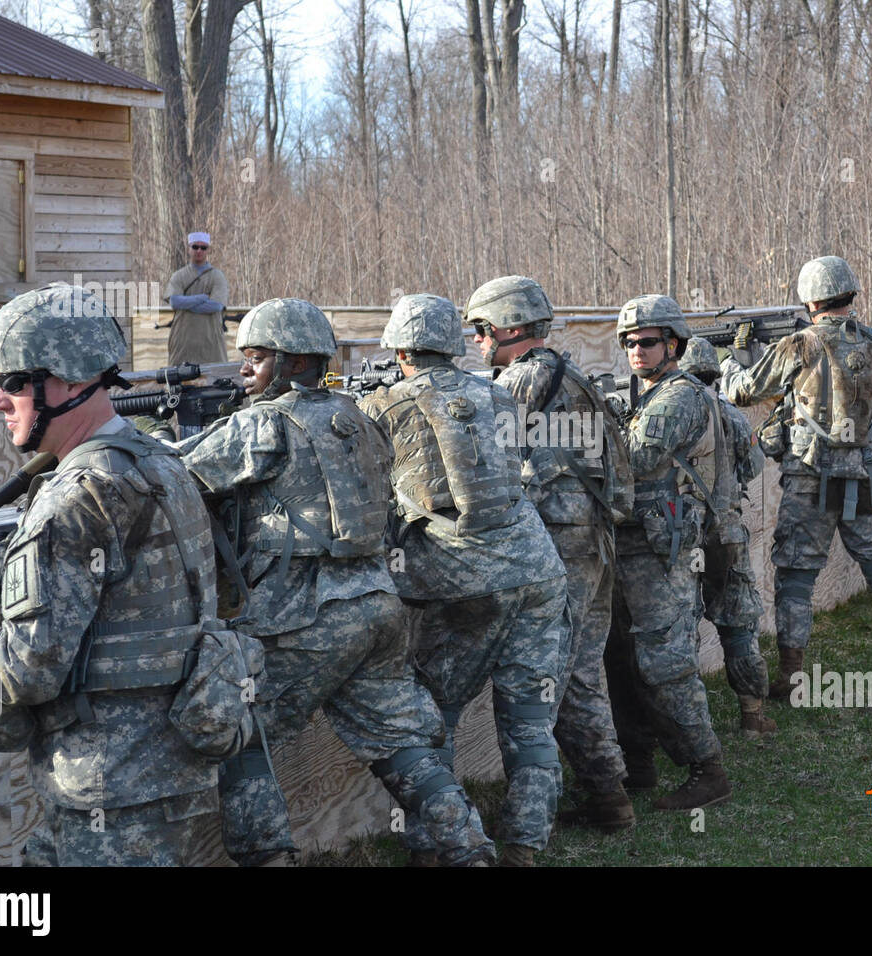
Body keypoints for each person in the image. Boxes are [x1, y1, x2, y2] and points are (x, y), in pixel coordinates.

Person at [0, 284, 224, 865]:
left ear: (73, 382)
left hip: (112, 783)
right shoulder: (156, 461)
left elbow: (26, 673)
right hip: (158, 764)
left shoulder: (73, 499)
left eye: (15, 383)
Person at [174, 298, 494, 867]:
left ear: (296, 363)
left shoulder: (263, 424)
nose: (244, 369)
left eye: (256, 357)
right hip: (375, 605)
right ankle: (469, 849)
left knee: (239, 731)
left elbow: (174, 478)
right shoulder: (355, 415)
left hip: (303, 613)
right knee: (401, 745)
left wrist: (148, 433)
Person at [360, 293, 570, 867]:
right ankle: (523, 846)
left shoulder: (385, 407)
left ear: (401, 349)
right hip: (536, 569)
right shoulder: (498, 392)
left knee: (433, 718)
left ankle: (437, 846)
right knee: (529, 716)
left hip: (462, 582)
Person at [720, 256, 872, 703]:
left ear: (810, 298)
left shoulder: (798, 344)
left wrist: (729, 358)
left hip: (808, 478)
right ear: (850, 294)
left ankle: (790, 676)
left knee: (797, 578)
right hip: (866, 477)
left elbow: (742, 391)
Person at [465, 275, 637, 832]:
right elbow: (620, 469)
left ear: (509, 328)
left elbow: (484, 470)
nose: (476, 341)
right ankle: (610, 796)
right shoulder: (579, 378)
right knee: (580, 672)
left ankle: (529, 817)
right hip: (593, 543)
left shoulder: (516, 384)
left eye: (481, 330)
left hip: (553, 551)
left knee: (539, 681)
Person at [606, 295, 734, 810]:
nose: (636, 350)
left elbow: (636, 458)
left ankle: (708, 770)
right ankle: (638, 763)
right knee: (623, 660)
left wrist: (584, 429)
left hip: (663, 553)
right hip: (633, 546)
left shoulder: (679, 396)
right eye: (629, 342)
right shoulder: (648, 395)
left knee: (665, 662)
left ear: (673, 345)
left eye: (647, 341)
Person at [677, 336, 776, 737]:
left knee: (681, 627)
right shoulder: (729, 412)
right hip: (726, 531)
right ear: (715, 374)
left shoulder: (669, 409)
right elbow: (753, 465)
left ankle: (689, 727)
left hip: (680, 535)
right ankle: (752, 716)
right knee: (738, 624)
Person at [165, 231, 229, 367]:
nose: (199, 251)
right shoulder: (179, 276)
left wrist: (186, 302)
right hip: (182, 341)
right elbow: (175, 302)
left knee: (215, 382)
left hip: (211, 342)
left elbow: (216, 305)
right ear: (189, 248)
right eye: (195, 247)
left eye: (203, 247)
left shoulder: (217, 276)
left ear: (208, 250)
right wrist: (201, 298)